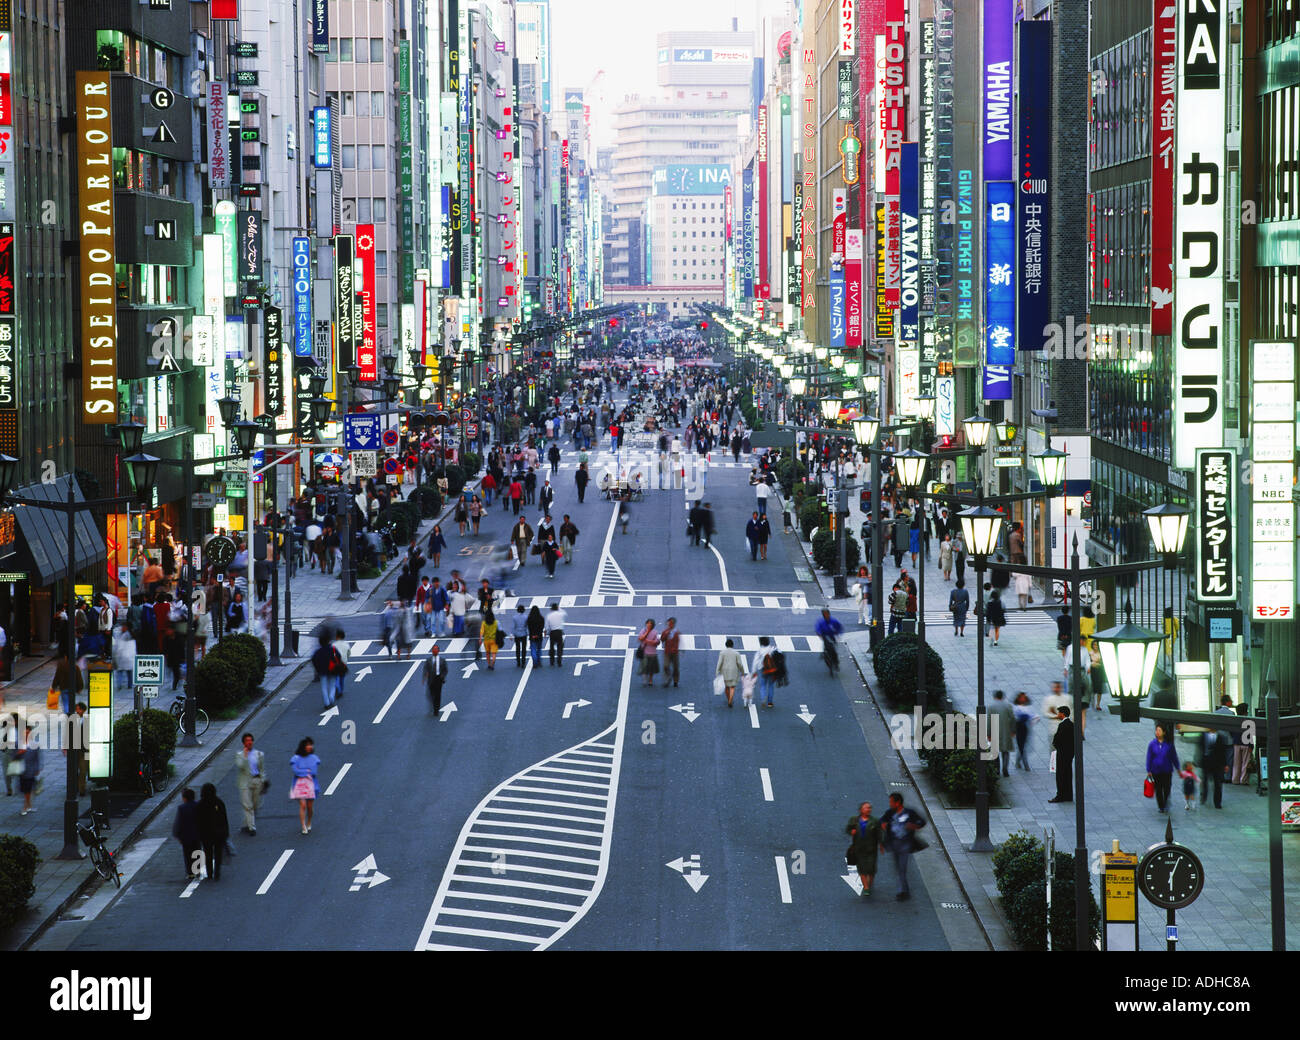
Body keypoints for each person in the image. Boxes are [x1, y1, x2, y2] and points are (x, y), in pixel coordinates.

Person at [879, 793, 927, 901]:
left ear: (898, 803)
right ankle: (904, 889)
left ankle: (903, 891)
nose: (890, 804)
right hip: (894, 843)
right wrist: (883, 825)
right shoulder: (890, 813)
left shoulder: (910, 813)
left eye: (891, 802)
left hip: (905, 843)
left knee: (902, 867)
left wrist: (913, 826)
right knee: (898, 867)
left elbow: (921, 822)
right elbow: (882, 820)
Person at [845, 801, 884, 897]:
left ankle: (869, 884)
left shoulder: (874, 821)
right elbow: (848, 829)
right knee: (862, 868)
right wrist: (851, 831)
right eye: (866, 808)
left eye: (869, 808)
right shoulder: (854, 820)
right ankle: (866, 887)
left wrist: (881, 844)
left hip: (871, 849)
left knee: (871, 868)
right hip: (859, 848)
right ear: (861, 810)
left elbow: (879, 833)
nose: (869, 809)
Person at [197, 782, 231, 881]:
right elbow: (224, 818)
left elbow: (197, 821)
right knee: (218, 853)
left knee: (208, 853)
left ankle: (209, 873)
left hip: (205, 834)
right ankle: (217, 873)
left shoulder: (200, 805)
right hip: (218, 834)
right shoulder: (219, 802)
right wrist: (226, 832)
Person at [1145, 722, 1180, 813]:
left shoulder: (1169, 744)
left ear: (1164, 732)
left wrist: (1178, 767)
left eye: (1159, 730)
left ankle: (1166, 802)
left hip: (1167, 770)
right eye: (1156, 730)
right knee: (1158, 789)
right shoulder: (1152, 744)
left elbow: (1173, 756)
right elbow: (1149, 757)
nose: (1157, 732)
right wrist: (1148, 769)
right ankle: (1161, 806)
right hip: (1156, 771)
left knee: (1167, 788)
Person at [235, 733, 266, 835]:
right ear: (243, 743)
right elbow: (240, 766)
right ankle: (252, 828)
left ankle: (246, 824)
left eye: (251, 740)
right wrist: (245, 756)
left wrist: (263, 780)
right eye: (247, 740)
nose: (249, 742)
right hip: (245, 782)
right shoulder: (239, 755)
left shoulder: (259, 754)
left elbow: (261, 768)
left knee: (255, 804)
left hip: (257, 781)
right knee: (248, 805)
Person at [290, 737, 321, 835]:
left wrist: (301, 771)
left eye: (311, 745)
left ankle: (309, 821)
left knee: (309, 807)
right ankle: (303, 825)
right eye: (308, 745)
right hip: (299, 785)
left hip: (311, 785)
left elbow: (313, 772)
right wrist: (306, 771)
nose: (310, 747)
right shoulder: (296, 758)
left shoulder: (314, 758)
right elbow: (295, 770)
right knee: (303, 805)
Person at [172, 787, 202, 881]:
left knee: (188, 854)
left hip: (186, 836)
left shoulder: (182, 808)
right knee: (197, 851)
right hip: (197, 834)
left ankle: (190, 873)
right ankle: (197, 870)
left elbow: (178, 823)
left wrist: (177, 834)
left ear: (184, 798)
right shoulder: (198, 806)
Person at [1049, 705, 1075, 803]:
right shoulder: (1072, 725)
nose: (1058, 714)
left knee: (1060, 775)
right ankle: (1068, 795)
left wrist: (1055, 744)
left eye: (1059, 713)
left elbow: (1057, 739)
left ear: (1062, 714)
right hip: (1069, 754)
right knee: (1068, 775)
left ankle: (1060, 795)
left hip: (1062, 754)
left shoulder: (1062, 725)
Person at [311, 632, 343, 708]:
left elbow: (314, 660)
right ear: (328, 641)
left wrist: (317, 669)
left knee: (324, 687)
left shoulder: (318, 652)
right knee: (332, 685)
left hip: (322, 671)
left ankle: (326, 703)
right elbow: (339, 657)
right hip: (332, 669)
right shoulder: (333, 649)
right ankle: (331, 698)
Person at [989, 689, 1016, 778]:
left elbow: (989, 721)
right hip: (1006, 731)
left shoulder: (991, 707)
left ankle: (997, 770)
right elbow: (1012, 719)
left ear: (994, 697)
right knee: (1005, 751)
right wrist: (1013, 731)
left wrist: (988, 734)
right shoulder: (1008, 706)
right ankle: (1005, 769)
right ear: (1003, 697)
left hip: (995, 732)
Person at [715, 638, 745, 708]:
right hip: (733, 671)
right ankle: (730, 701)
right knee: (732, 687)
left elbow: (719, 663)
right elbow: (739, 664)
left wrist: (717, 671)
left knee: (726, 687)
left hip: (724, 671)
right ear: (732, 645)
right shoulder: (736, 653)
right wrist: (742, 671)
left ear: (726, 645)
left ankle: (729, 698)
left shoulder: (722, 653)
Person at [16, 724, 40, 816]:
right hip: (21, 769)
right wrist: (19, 753)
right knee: (25, 788)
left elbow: (37, 758)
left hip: (30, 770)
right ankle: (28, 804)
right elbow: (12, 757)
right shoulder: (18, 744)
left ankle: (26, 806)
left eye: (28, 732)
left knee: (28, 788)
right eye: (25, 732)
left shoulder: (35, 744)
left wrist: (37, 768)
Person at [752, 636, 780, 709]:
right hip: (772, 670)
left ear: (761, 643)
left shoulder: (760, 651)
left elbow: (755, 662)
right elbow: (779, 655)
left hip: (763, 669)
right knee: (771, 685)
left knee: (763, 685)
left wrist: (754, 672)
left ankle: (763, 699)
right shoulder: (772, 649)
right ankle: (770, 702)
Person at [815, 608, 843, 674]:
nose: (826, 615)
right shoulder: (821, 622)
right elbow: (818, 629)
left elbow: (839, 628)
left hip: (832, 636)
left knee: (833, 650)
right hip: (825, 636)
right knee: (826, 646)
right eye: (824, 614)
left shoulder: (834, 621)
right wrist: (819, 634)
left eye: (827, 614)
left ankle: (836, 663)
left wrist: (838, 635)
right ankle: (825, 654)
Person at [1012, 692, 1035, 770]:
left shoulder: (1029, 707)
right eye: (1021, 697)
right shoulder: (1015, 707)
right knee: (1021, 746)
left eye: (1024, 697)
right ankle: (1025, 763)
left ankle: (1018, 761)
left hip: (1025, 728)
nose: (1023, 699)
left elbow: (1033, 716)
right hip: (1018, 728)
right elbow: (1013, 717)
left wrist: (1033, 720)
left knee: (1022, 746)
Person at [423, 644, 449, 714]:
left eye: (436, 649)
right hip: (431, 678)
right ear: (432, 651)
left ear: (438, 651)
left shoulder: (442, 660)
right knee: (431, 693)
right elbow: (425, 669)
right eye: (433, 649)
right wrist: (424, 677)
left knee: (438, 694)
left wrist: (442, 676)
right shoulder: (428, 660)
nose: (434, 651)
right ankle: (434, 703)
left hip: (438, 678)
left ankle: (436, 708)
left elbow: (445, 670)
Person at [637, 618, 660, 687]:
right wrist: (647, 632)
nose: (649, 624)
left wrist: (647, 641)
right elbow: (640, 638)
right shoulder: (643, 631)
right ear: (646, 624)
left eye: (651, 623)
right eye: (648, 623)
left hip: (653, 652)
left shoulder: (655, 632)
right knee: (644, 667)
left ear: (653, 625)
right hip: (645, 652)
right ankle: (644, 679)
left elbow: (657, 642)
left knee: (651, 668)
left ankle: (650, 680)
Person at [661, 617, 681, 688]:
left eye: (671, 623)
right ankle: (668, 677)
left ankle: (675, 681)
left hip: (675, 652)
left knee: (675, 667)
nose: (670, 625)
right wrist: (666, 634)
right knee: (665, 666)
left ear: (674, 624)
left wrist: (677, 649)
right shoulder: (665, 631)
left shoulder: (677, 632)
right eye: (669, 623)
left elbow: (679, 642)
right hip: (667, 652)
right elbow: (662, 639)